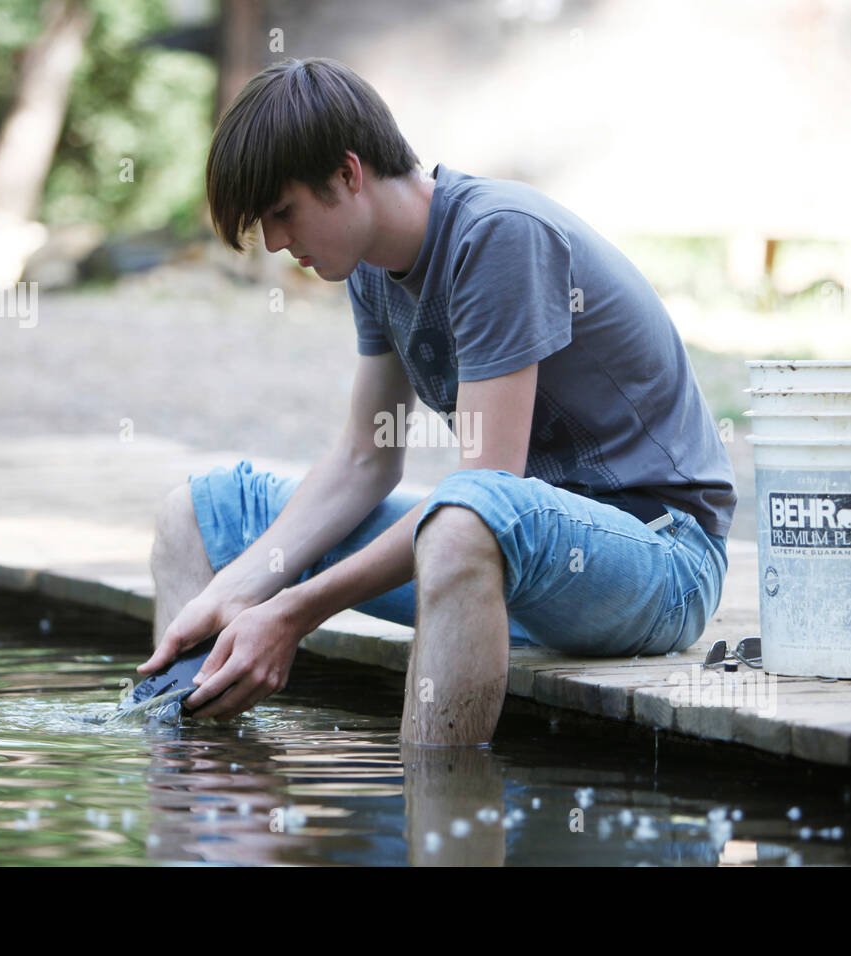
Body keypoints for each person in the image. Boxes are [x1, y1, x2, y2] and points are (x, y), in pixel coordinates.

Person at [140, 56, 736, 746]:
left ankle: (440, 819)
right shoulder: (371, 269)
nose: (275, 243)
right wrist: (238, 589)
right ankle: (195, 786)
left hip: (658, 565)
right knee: (197, 514)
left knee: (459, 519)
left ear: (347, 173)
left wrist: (294, 611)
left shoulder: (500, 236)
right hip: (512, 557)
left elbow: (487, 492)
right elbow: (365, 461)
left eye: (283, 213)